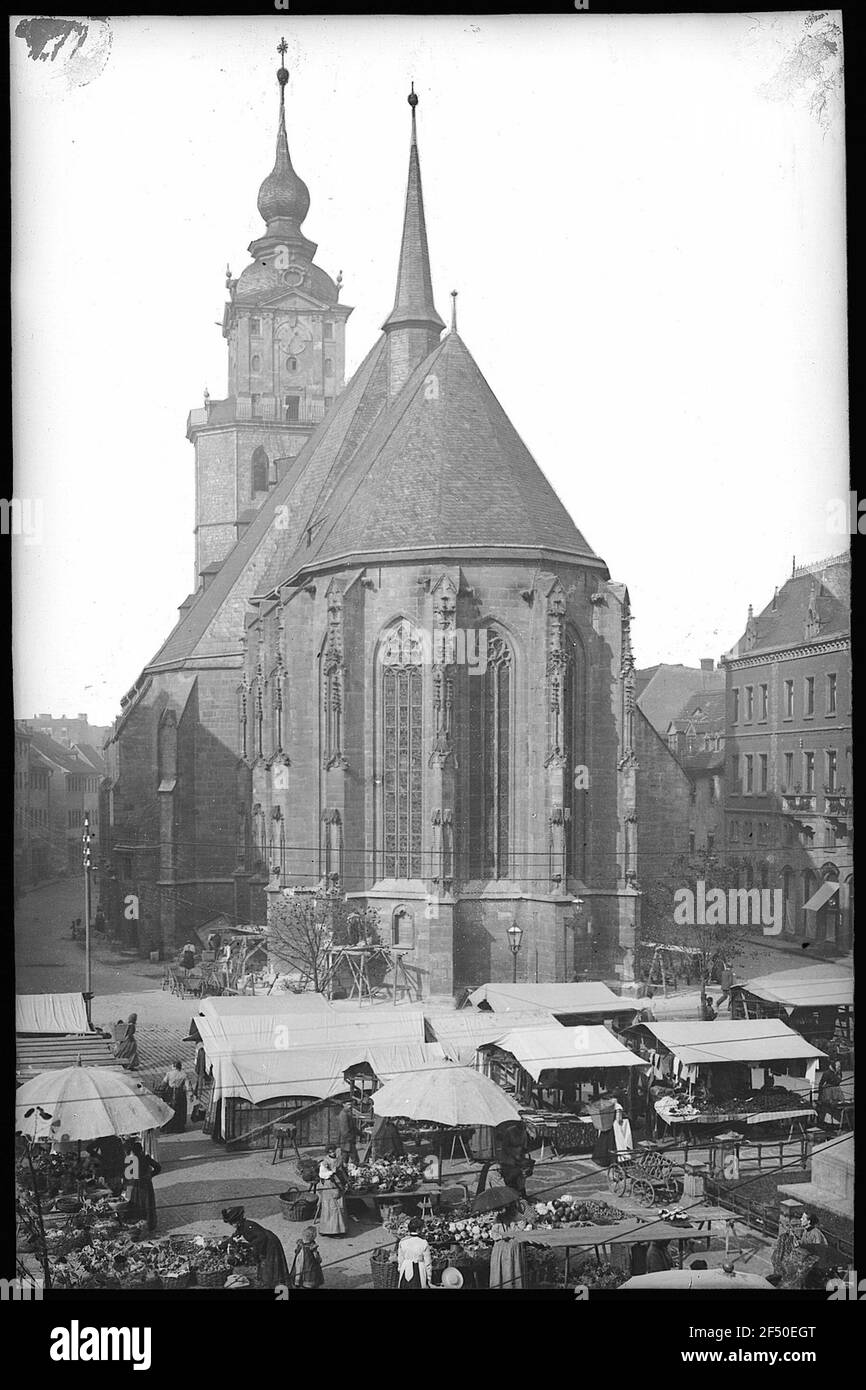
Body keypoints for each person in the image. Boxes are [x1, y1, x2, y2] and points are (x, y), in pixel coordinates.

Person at [222, 1207, 290, 1290]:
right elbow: (233, 1237)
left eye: (233, 1223)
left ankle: (273, 1283)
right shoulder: (241, 1227)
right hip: (263, 1242)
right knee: (263, 1263)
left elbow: (262, 1238)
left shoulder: (248, 1225)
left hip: (270, 1243)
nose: (232, 1225)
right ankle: (265, 1280)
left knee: (270, 1263)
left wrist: (250, 1246)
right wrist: (221, 1245)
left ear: (238, 1220)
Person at [121, 1138, 160, 1231]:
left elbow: (126, 1176)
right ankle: (150, 1224)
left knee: (136, 1203)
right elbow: (158, 1167)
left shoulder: (130, 1160)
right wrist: (150, 1175)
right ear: (141, 1150)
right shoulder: (146, 1158)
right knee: (148, 1203)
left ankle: (137, 1224)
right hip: (146, 1184)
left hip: (135, 1185)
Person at [316, 1147, 349, 1236]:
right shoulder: (325, 1162)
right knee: (330, 1208)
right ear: (328, 1153)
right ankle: (327, 1230)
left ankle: (339, 1230)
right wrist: (331, 1172)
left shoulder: (339, 1159)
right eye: (331, 1152)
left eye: (334, 1151)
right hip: (329, 1185)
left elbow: (342, 1170)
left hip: (338, 1184)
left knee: (339, 1206)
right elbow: (322, 1174)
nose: (333, 1153)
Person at [397, 1216, 433, 1289]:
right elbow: (428, 1263)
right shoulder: (423, 1242)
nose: (423, 1230)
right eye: (422, 1228)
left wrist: (401, 1269)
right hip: (419, 1269)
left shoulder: (403, 1242)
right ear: (418, 1230)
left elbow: (400, 1259)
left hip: (405, 1268)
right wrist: (429, 1277)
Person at [161, 1060, 193, 1133]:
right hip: (180, 1094)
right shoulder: (183, 1074)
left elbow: (163, 1084)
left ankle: (169, 1127)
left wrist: (161, 1091)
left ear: (173, 1066)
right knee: (180, 1110)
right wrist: (190, 1095)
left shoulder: (169, 1074)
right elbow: (188, 1086)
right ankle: (178, 1127)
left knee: (169, 1109)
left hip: (170, 1093)